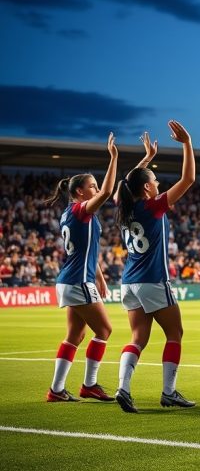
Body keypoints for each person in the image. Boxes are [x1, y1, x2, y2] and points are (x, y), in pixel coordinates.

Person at [114, 122, 196, 413]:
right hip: (153, 280)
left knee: (138, 337)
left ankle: (123, 387)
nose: (159, 184)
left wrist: (146, 159)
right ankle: (169, 392)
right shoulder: (152, 206)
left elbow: (126, 185)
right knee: (175, 334)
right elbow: (187, 179)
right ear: (148, 188)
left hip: (128, 282)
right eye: (155, 180)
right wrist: (186, 143)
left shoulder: (124, 206)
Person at [45, 133, 119, 402]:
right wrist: (113, 157)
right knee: (105, 330)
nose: (97, 189)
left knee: (76, 334)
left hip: (73, 278)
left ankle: (56, 389)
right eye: (93, 185)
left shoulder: (72, 213)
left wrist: (100, 278)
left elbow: (89, 251)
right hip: (77, 281)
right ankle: (90, 384)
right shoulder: (79, 211)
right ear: (79, 192)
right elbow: (109, 192)